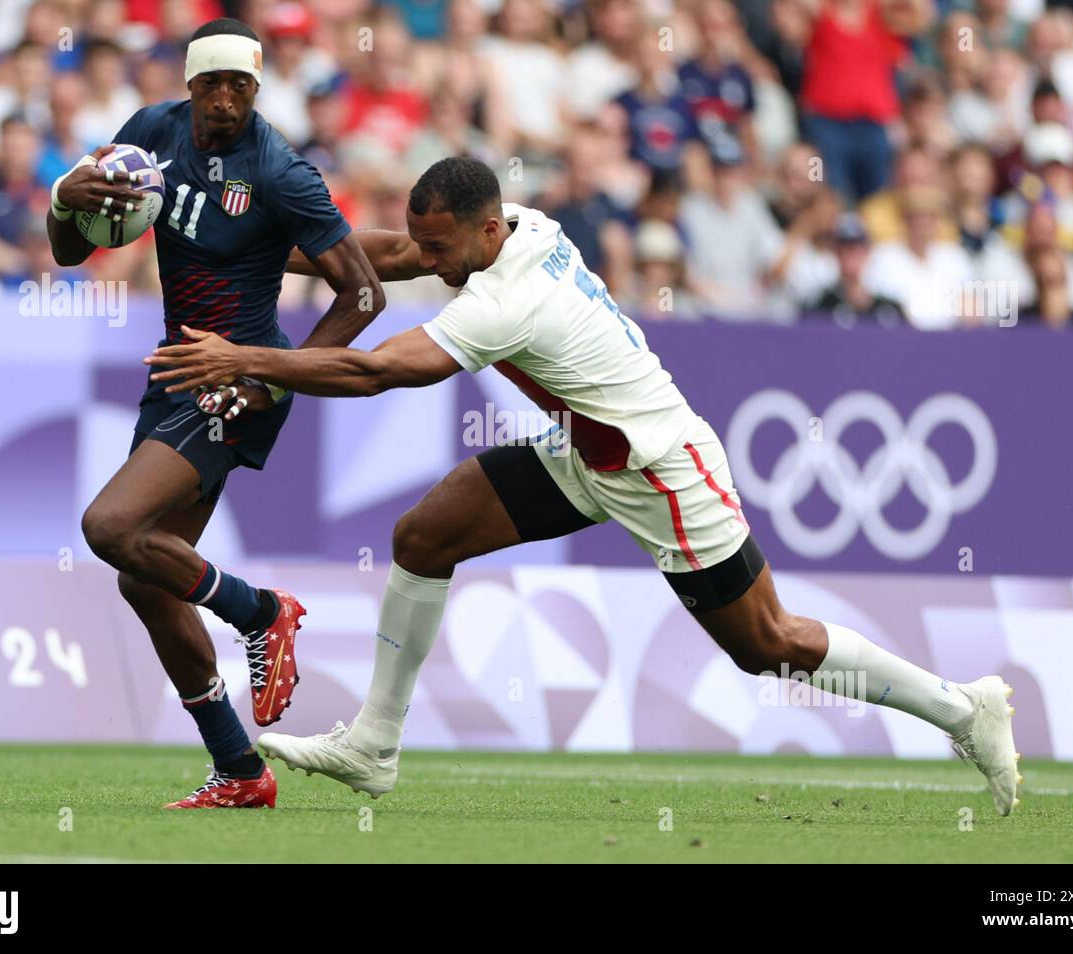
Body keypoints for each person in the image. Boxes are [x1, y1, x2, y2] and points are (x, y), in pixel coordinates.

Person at [146, 157, 1023, 818]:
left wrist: (245, 355)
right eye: (431, 242)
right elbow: (389, 255)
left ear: (487, 235)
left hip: (658, 467)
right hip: (585, 451)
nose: (433, 259)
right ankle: (375, 746)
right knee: (424, 537)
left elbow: (378, 371)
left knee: (767, 644)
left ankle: (961, 708)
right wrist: (270, 253)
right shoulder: (509, 224)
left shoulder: (503, 301)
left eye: (446, 248)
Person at [45, 17, 384, 809]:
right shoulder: (149, 136)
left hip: (234, 384)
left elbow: (364, 292)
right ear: (189, 85)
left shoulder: (280, 172)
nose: (227, 99)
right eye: (214, 84)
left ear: (257, 89)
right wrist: (67, 196)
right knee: (145, 579)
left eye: (243, 85)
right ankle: (239, 768)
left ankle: (262, 612)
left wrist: (276, 378)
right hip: (177, 374)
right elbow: (69, 252)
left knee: (107, 528)